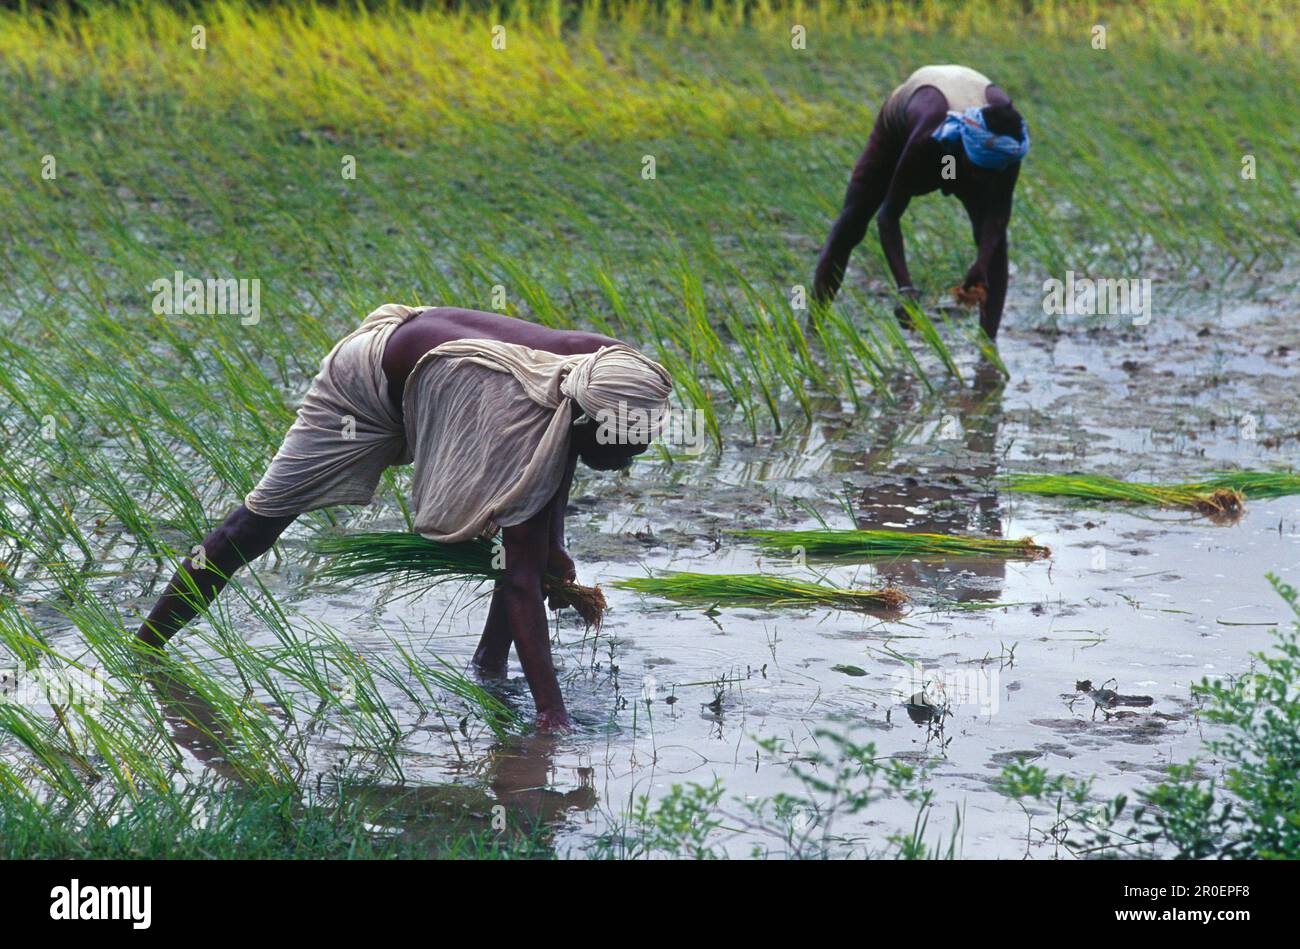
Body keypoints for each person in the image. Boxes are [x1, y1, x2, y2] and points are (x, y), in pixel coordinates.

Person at [135, 304, 674, 731]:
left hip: (443, 366)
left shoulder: (611, 374)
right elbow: (519, 578)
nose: (630, 460)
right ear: (584, 419)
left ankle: (489, 667)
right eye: (624, 446)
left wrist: (554, 546)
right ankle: (145, 647)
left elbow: (546, 474)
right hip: (367, 380)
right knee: (254, 525)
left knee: (529, 546)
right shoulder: (532, 407)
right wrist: (553, 716)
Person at [813, 64, 1029, 337]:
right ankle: (814, 324)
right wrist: (906, 289)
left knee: (996, 247)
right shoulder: (926, 137)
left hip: (957, 151)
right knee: (852, 222)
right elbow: (888, 215)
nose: (984, 181)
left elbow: (997, 218)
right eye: (979, 171)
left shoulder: (1009, 144)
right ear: (964, 150)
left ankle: (988, 346)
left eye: (992, 174)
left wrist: (982, 264)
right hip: (906, 128)